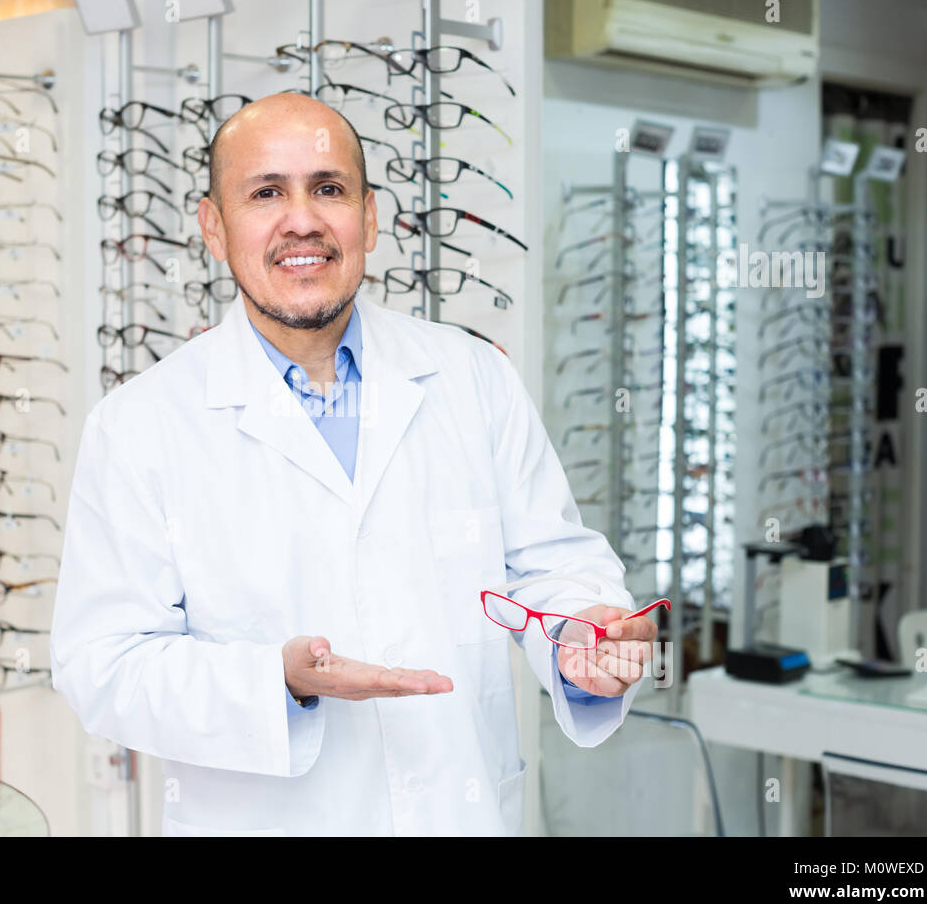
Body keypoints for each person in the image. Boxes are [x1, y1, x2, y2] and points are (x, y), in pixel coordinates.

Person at [51, 92, 658, 836]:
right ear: (214, 226)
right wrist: (275, 678)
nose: (301, 219)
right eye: (266, 192)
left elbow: (551, 568)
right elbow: (102, 666)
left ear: (369, 217)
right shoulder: (139, 426)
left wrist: (580, 642)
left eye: (328, 189)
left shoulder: (473, 378)